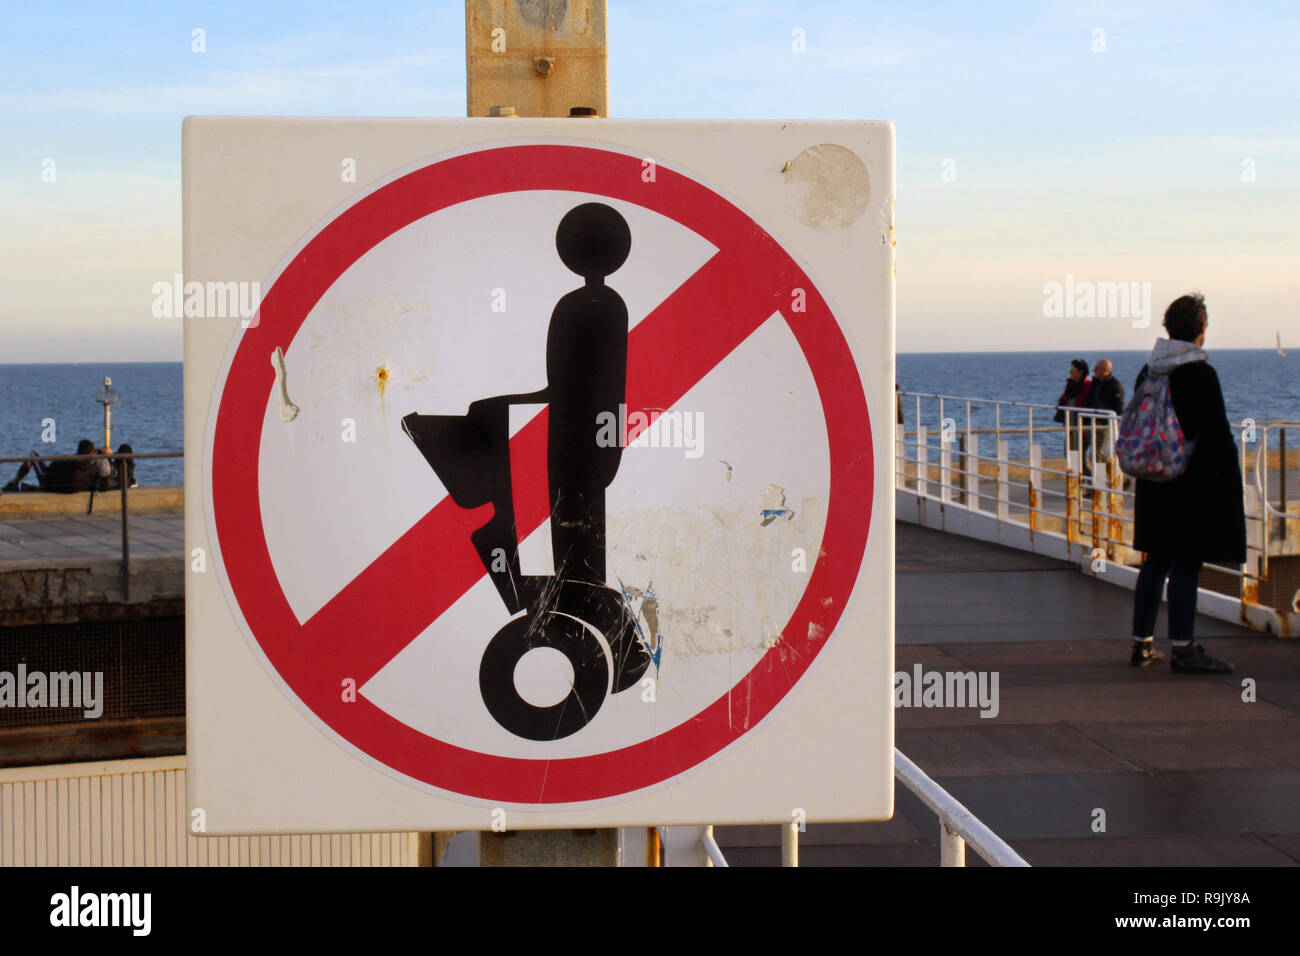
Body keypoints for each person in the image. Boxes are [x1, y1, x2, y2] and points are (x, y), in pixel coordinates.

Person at [1129, 293, 1242, 673]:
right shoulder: (1198, 373)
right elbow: (1215, 435)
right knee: (1185, 564)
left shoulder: (1151, 370)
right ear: (1201, 330)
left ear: (1168, 328)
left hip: (1152, 480)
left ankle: (1141, 644)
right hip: (1188, 484)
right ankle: (1183, 647)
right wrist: (1228, 481)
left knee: (1155, 562)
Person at [2, 439, 99, 493]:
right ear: (92, 453)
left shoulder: (68, 461)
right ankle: (34, 487)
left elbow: (52, 468)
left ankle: (14, 484)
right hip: (72, 488)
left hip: (50, 484)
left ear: (78, 450)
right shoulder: (92, 467)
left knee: (33, 455)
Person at [1054, 358, 1094, 470]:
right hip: (1071, 425)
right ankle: (1084, 481)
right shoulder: (1070, 386)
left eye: (1072, 370)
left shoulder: (1089, 386)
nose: (1070, 372)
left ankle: (1090, 481)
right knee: (1070, 455)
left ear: (1080, 372)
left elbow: (1089, 405)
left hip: (1083, 427)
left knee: (1080, 457)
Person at [1088, 358, 1126, 470]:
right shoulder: (1097, 384)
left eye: (1097, 368)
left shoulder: (1114, 386)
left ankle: (1116, 476)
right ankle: (1112, 474)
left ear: (1105, 370)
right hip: (1094, 421)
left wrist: (1112, 421)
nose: (1094, 370)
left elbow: (1119, 407)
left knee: (1097, 453)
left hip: (1104, 423)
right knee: (1097, 453)